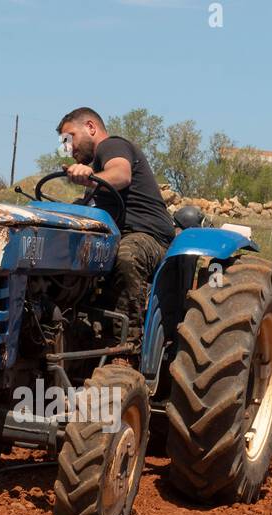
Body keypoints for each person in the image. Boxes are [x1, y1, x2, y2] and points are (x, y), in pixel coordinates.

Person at [57, 107, 175, 343]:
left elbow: (122, 175)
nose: (68, 148)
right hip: (118, 234)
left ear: (90, 127)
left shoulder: (111, 146)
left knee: (127, 255)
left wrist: (90, 177)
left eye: (70, 138)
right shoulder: (99, 169)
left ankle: (126, 344)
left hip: (150, 237)